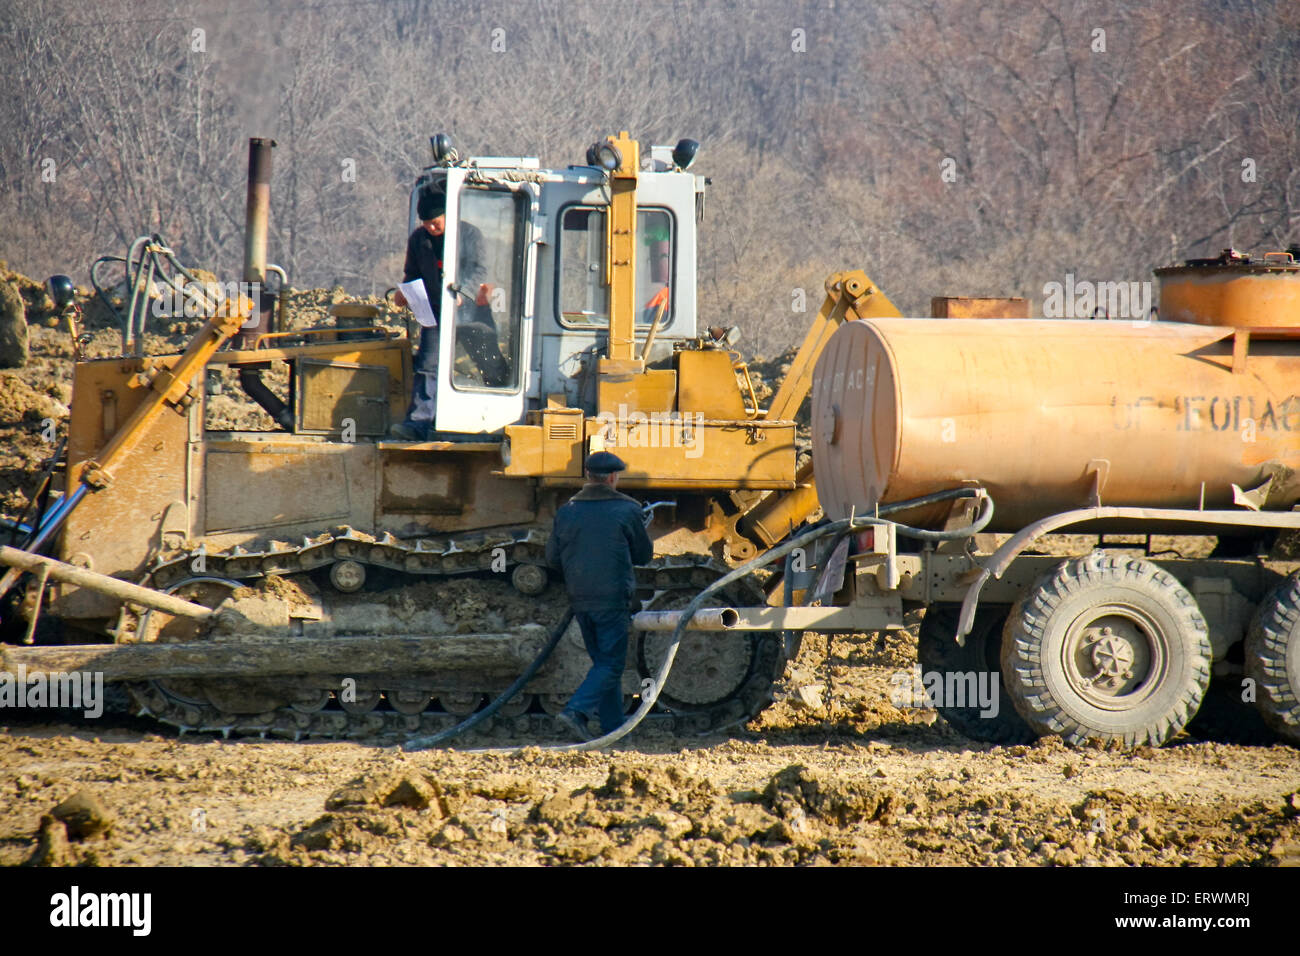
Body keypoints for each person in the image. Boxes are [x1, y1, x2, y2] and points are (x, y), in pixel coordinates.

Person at [545, 451, 653, 741]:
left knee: (604, 665)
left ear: (589, 477)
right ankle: (575, 712)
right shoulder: (627, 509)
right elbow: (644, 555)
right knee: (612, 664)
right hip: (613, 598)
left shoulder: (567, 510)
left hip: (580, 599)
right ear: (613, 478)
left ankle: (613, 730)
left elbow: (553, 559)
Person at [390, 186, 495, 439]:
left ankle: (492, 421)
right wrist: (406, 291)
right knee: (427, 365)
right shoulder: (418, 240)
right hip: (436, 312)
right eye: (426, 224)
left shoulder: (469, 235)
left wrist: (463, 291)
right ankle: (418, 423)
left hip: (471, 310)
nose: (431, 228)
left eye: (435, 223)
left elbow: (481, 269)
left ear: (447, 215)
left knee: (488, 362)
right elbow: (412, 273)